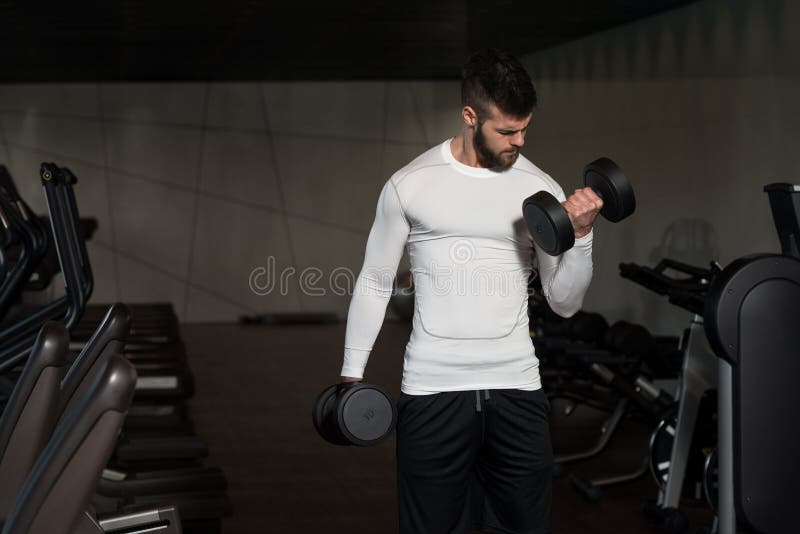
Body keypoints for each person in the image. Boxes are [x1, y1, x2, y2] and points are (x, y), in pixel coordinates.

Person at [339, 48, 602, 534]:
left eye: (525, 128)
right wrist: (352, 376)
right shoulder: (411, 184)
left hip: (518, 387)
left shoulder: (539, 187)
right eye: (507, 131)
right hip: (433, 390)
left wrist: (582, 237)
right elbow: (375, 280)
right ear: (469, 116)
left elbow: (564, 303)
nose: (519, 141)